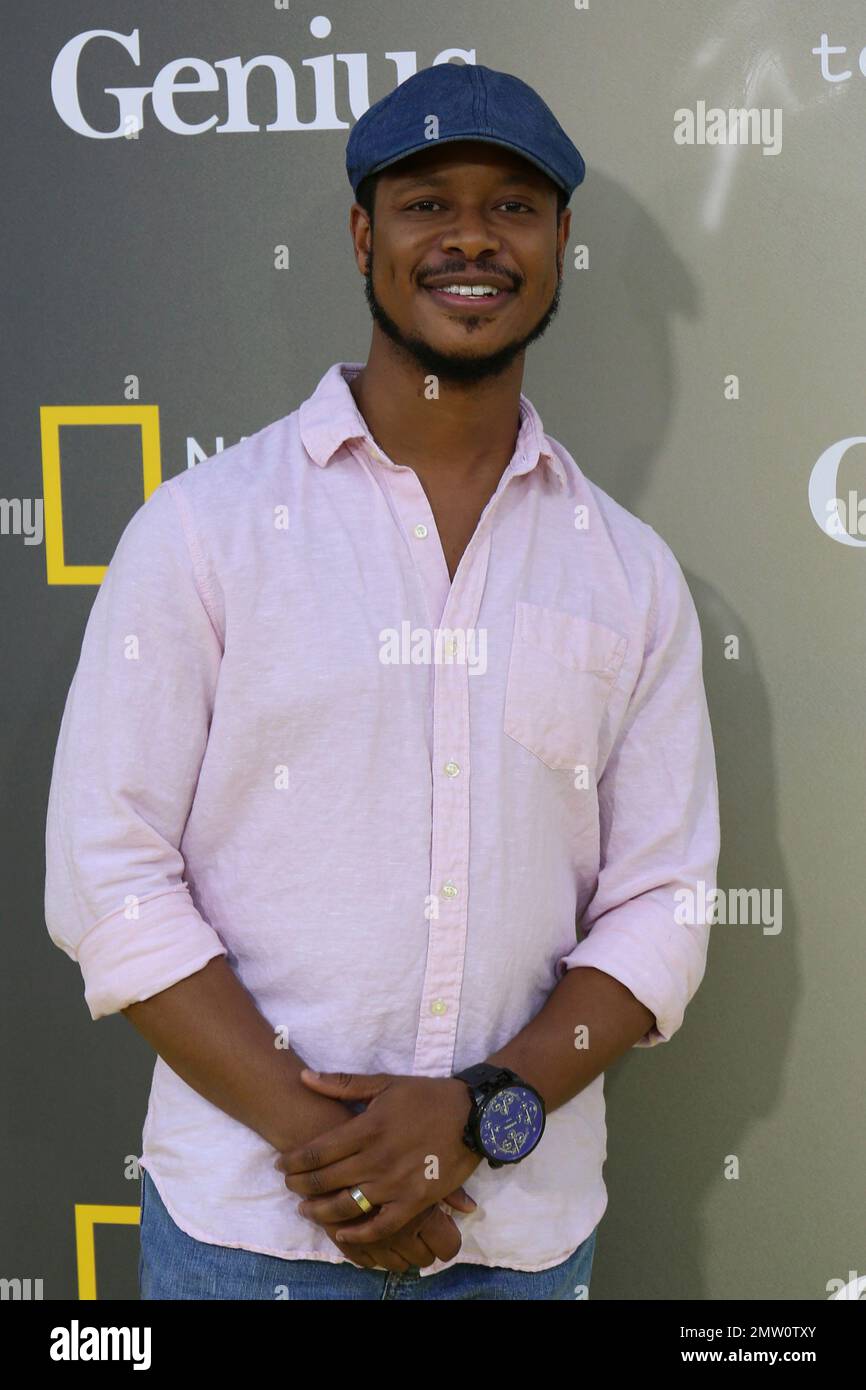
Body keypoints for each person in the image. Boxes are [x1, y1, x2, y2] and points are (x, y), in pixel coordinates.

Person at [44, 62, 720, 1301]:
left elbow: (663, 902)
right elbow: (108, 872)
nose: (471, 235)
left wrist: (479, 1115)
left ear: (562, 243)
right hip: (248, 1236)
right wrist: (338, 1158)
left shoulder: (625, 572)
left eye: (513, 206)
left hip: (514, 1238)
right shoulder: (205, 531)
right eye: (426, 202)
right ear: (364, 236)